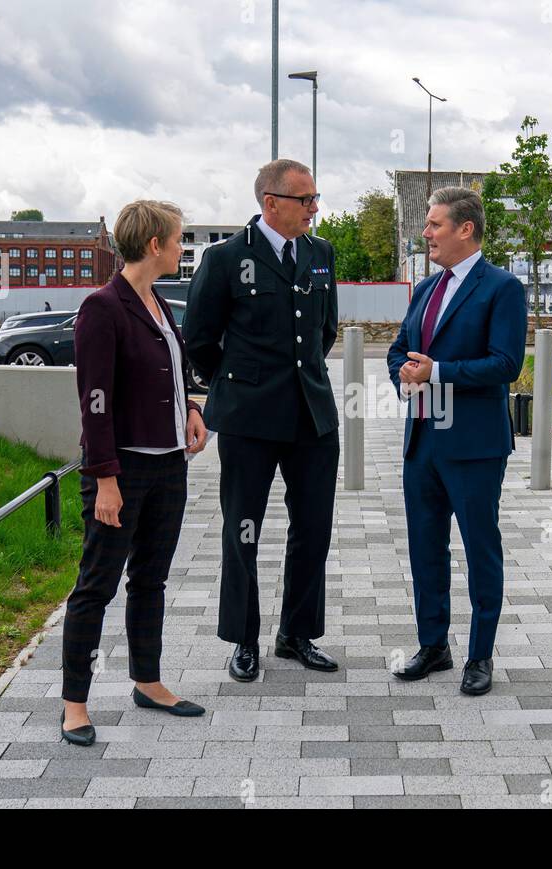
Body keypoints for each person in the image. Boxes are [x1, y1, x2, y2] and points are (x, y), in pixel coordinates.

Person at [182, 159, 340, 683]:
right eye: (305, 200)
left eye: (315, 199)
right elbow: (199, 339)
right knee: (243, 529)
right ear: (270, 203)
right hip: (250, 417)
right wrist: (235, 382)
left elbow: (326, 330)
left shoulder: (320, 253)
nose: (315, 209)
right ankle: (244, 639)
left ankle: (297, 634)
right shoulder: (227, 258)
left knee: (313, 528)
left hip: (311, 415)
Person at [61, 199, 210, 747]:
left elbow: (172, 373)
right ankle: (75, 704)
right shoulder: (103, 307)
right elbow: (93, 400)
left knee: (150, 579)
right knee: (95, 587)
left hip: (169, 466)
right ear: (154, 245)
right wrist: (103, 478)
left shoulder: (157, 302)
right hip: (121, 472)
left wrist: (192, 409)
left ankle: (148, 681)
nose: (181, 246)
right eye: (178, 238)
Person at [387, 187, 527, 696]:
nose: (426, 233)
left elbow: (506, 364)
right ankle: (433, 646)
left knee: (479, 550)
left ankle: (480, 655)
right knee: (426, 549)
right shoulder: (425, 288)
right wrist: (402, 370)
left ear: (465, 229)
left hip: (473, 446)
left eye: (434, 225)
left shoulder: (502, 288)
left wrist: (439, 370)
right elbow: (400, 348)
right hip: (421, 441)